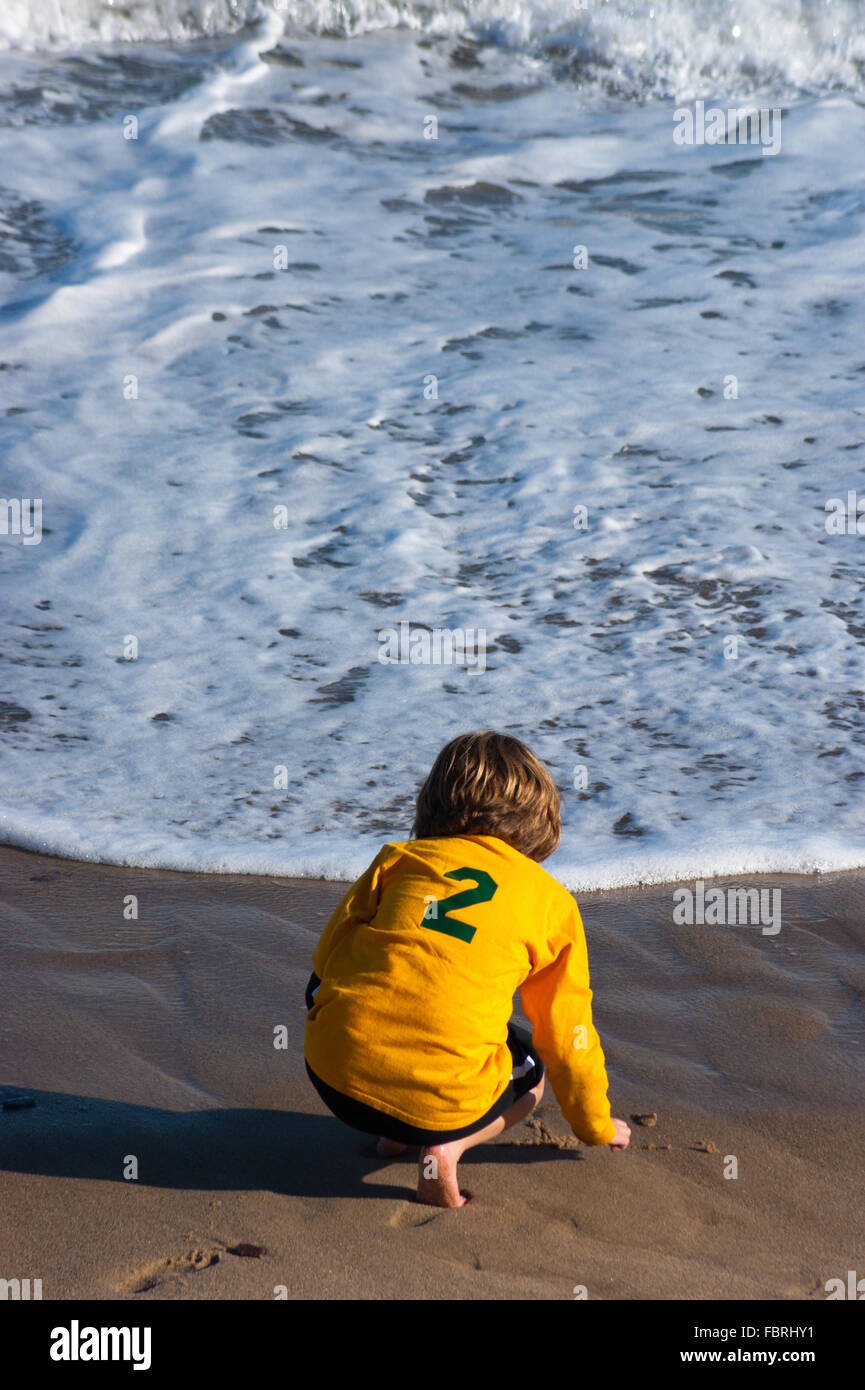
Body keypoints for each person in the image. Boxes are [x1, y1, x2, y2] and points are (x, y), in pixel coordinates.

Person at [304, 729, 630, 1207]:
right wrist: (595, 1125)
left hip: (332, 1075)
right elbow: (566, 1038)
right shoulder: (552, 906)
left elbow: (325, 962)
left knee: (393, 1001)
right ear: (541, 819)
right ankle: (445, 1147)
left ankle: (391, 1138)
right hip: (443, 1103)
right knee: (532, 1067)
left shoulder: (398, 860)